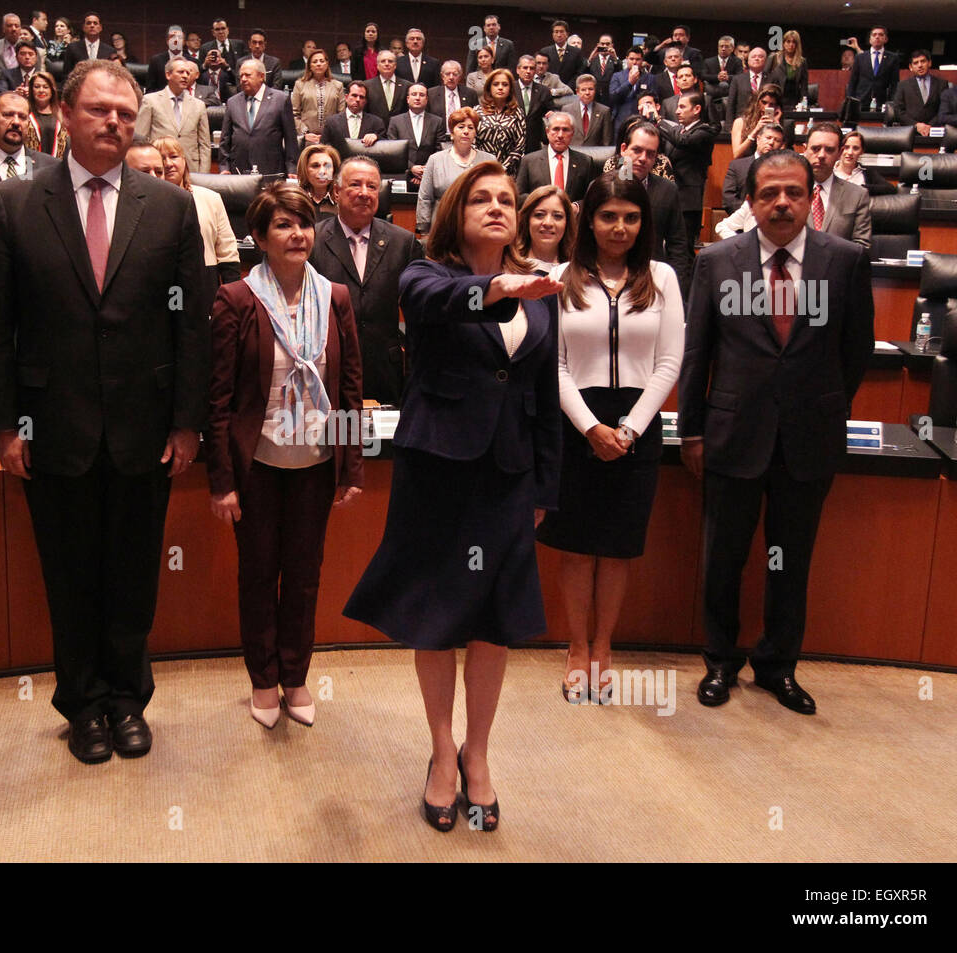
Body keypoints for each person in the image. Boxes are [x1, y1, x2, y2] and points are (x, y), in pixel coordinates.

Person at [0, 59, 209, 765]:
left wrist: (186, 420)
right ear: (65, 117)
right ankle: (81, 704)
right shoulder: (16, 204)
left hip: (145, 426)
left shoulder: (169, 205)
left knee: (135, 571)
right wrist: (6, 423)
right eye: (98, 110)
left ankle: (127, 698)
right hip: (54, 425)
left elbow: (190, 325)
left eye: (123, 112)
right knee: (70, 573)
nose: (113, 122)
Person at [343, 161, 563, 833]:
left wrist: (545, 483)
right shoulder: (424, 272)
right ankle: (442, 751)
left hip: (508, 472)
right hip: (437, 468)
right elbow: (438, 304)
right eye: (482, 199)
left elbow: (543, 392)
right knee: (436, 614)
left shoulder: (541, 291)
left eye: (507, 199)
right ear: (455, 212)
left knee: (496, 617)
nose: (498, 207)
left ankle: (480, 753)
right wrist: (500, 285)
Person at [680, 148, 874, 715]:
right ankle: (719, 661)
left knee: (790, 558)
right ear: (751, 202)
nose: (782, 203)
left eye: (793, 191)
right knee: (724, 556)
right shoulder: (717, 260)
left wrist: (823, 408)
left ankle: (777, 665)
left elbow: (855, 351)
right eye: (769, 194)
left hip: (807, 439)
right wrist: (692, 431)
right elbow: (698, 355)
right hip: (732, 435)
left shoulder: (844, 260)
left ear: (810, 194)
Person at [207, 183, 364, 729]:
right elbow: (220, 398)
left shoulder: (336, 296)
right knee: (257, 574)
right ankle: (262, 679)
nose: (297, 233)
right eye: (282, 225)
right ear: (258, 237)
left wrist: (351, 465)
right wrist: (221, 482)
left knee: (303, 576)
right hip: (258, 467)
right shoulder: (236, 299)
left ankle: (296, 677)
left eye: (304, 223)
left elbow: (348, 385)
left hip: (316, 465)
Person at [539, 171, 683, 703]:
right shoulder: (560, 276)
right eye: (607, 216)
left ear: (643, 223)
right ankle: (576, 647)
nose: (619, 227)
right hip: (578, 422)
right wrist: (592, 428)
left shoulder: (663, 278)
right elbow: (552, 365)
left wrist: (627, 429)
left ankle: (604, 647)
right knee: (576, 546)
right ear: (588, 220)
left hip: (638, 425)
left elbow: (669, 362)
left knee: (618, 546)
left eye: (630, 217)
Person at [310, 156, 423, 405]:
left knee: (382, 445)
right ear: (337, 192)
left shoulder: (403, 243)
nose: (364, 193)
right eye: (355, 185)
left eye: (372, 186)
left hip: (385, 371)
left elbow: (418, 315)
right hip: (327, 370)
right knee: (336, 440)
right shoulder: (312, 240)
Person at [611, 121, 693, 298]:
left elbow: (678, 245)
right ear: (624, 149)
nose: (643, 158)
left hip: (651, 282)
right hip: (608, 280)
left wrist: (675, 290)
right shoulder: (602, 188)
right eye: (637, 150)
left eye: (650, 153)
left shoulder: (668, 190)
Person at [154, 134, 240, 288]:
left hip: (203, 280)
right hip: (163, 283)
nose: (168, 164)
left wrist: (232, 294)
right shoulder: (148, 202)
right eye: (161, 158)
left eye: (174, 156)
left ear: (184, 161)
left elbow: (227, 251)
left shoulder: (211, 199)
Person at [0, 90, 57, 204]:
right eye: (8, 115)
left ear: (28, 124)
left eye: (22, 117)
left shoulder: (50, 167)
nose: (16, 122)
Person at [416, 106, 493, 235]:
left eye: (470, 127)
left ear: (475, 133)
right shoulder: (435, 160)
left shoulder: (489, 161)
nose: (466, 131)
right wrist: (424, 232)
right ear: (452, 133)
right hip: (443, 227)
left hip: (478, 229)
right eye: (461, 127)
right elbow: (424, 197)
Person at [219, 59, 298, 176]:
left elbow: (290, 139)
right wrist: (224, 167)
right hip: (239, 171)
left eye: (248, 75)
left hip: (271, 170)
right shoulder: (232, 102)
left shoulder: (280, 100)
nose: (243, 79)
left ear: (261, 76)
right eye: (241, 76)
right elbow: (225, 139)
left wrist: (292, 169)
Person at [657, 90, 717, 243]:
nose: (677, 111)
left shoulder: (704, 132)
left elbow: (683, 141)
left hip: (688, 202)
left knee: (684, 247)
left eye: (682, 107)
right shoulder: (678, 130)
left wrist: (658, 120)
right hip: (670, 195)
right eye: (677, 107)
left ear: (697, 109)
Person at [135, 56, 209, 174]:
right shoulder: (150, 101)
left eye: (188, 73)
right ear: (168, 75)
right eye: (181, 72)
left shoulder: (199, 105)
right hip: (159, 166)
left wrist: (204, 174)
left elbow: (205, 145)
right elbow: (141, 139)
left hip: (191, 168)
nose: (185, 76)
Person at [802, 122, 871, 249]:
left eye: (829, 150)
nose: (821, 155)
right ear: (804, 150)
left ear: (840, 153)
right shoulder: (787, 192)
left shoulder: (857, 195)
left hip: (839, 267)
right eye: (815, 148)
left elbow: (861, 247)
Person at [516, 110, 596, 202]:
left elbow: (591, 199)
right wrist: (541, 203)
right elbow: (519, 196)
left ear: (572, 133)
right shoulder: (529, 161)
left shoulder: (585, 162)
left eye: (565, 130)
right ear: (547, 132)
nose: (560, 135)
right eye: (556, 129)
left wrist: (577, 206)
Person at [722, 120, 786, 214]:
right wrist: (751, 214)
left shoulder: (783, 170)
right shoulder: (737, 166)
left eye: (777, 140)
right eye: (768, 138)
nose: (771, 142)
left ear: (781, 146)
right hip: (742, 221)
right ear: (758, 139)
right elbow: (728, 199)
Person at [388, 84, 441, 191]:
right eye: (414, 94)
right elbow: (393, 151)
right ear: (408, 99)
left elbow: (439, 149)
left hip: (430, 177)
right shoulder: (395, 121)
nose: (417, 98)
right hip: (403, 177)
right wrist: (411, 168)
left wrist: (425, 170)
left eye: (421, 95)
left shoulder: (437, 122)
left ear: (426, 99)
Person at [474, 68, 525, 176]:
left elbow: (520, 146)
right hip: (480, 170)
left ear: (510, 88)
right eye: (496, 84)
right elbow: (473, 142)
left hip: (507, 172)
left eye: (505, 84)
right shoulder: (477, 111)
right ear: (489, 87)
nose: (500, 88)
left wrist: (503, 167)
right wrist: (483, 167)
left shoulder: (517, 113)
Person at [291, 49, 345, 144]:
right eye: (315, 62)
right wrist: (305, 133)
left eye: (322, 61)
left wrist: (329, 133)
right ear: (310, 66)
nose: (318, 64)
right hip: (307, 138)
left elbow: (341, 115)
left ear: (327, 64)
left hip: (331, 138)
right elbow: (294, 113)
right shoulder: (300, 85)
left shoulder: (338, 85)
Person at [516, 183, 574, 271]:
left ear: (567, 223)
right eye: (539, 215)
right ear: (527, 220)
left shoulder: (578, 271)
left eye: (557, 216)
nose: (548, 223)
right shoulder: (509, 266)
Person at [320, 80, 383, 154]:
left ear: (365, 101)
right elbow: (323, 149)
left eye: (362, 97)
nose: (358, 99)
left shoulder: (376, 122)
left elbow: (387, 145)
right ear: (346, 97)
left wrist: (376, 137)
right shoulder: (332, 122)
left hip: (365, 163)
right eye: (354, 95)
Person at [891, 50, 943, 134]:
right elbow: (898, 110)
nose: (920, 65)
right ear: (910, 67)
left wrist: (930, 126)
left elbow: (944, 109)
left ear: (929, 63)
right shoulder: (903, 85)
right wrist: (916, 125)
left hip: (934, 130)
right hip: (910, 131)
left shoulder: (941, 84)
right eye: (915, 63)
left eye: (923, 61)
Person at [846, 26, 899, 108]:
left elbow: (894, 84)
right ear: (870, 40)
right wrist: (850, 102)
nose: (877, 37)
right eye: (874, 35)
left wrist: (892, 103)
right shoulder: (860, 57)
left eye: (881, 35)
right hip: (860, 101)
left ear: (886, 39)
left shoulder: (893, 58)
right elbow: (853, 82)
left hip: (882, 102)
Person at [512, 54, 554, 155]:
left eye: (531, 68)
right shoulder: (510, 89)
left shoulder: (543, 91)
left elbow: (551, 111)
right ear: (518, 70)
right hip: (512, 140)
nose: (528, 71)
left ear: (535, 71)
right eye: (525, 68)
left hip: (534, 142)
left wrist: (552, 113)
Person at [731, 83, 785, 159]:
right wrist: (756, 130)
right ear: (757, 102)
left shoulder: (783, 125)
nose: (767, 107)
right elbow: (736, 154)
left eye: (772, 104)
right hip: (746, 166)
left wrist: (777, 126)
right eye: (764, 102)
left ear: (777, 107)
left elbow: (783, 157)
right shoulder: (740, 122)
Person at [833, 130, 895, 196]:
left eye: (855, 148)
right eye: (846, 147)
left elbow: (890, 189)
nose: (850, 152)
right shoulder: (829, 170)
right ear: (840, 149)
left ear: (862, 151)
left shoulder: (867, 173)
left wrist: (860, 188)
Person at [727, 48, 777, 127]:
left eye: (760, 57)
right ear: (748, 60)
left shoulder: (772, 79)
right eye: (753, 57)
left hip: (765, 122)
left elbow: (776, 103)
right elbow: (731, 104)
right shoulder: (737, 79)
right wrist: (729, 126)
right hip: (742, 123)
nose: (757, 59)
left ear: (765, 61)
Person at [427, 59, 478, 136]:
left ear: (460, 77)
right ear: (442, 76)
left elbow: (474, 119)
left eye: (455, 74)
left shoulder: (470, 94)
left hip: (463, 137)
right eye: (447, 74)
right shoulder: (431, 94)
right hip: (439, 138)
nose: (451, 77)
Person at [609, 45, 656, 128]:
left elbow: (653, 99)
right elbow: (613, 97)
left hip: (642, 121)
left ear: (642, 60)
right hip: (621, 119)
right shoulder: (617, 76)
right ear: (626, 59)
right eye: (631, 59)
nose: (634, 62)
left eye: (638, 59)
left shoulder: (650, 78)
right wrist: (629, 83)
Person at [22, 70, 66, 157]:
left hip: (56, 165)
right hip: (31, 164)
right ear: (31, 89)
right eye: (37, 87)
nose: (41, 90)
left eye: (45, 87)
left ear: (52, 90)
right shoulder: (24, 114)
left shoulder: (62, 115)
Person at [363, 50, 410, 125]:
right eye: (383, 61)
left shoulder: (407, 86)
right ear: (377, 66)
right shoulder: (367, 86)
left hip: (400, 131)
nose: (387, 64)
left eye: (390, 61)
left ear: (395, 65)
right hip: (375, 131)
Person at [565, 74, 613, 146]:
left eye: (590, 89)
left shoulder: (604, 111)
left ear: (595, 90)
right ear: (577, 92)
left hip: (596, 155)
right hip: (573, 153)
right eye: (583, 90)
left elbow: (606, 141)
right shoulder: (567, 110)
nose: (587, 93)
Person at [766, 30, 808, 110]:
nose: (791, 45)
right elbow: (765, 79)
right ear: (783, 43)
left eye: (794, 42)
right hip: (776, 98)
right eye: (788, 42)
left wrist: (803, 104)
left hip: (794, 100)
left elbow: (804, 87)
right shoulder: (774, 58)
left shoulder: (802, 62)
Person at [295, 142, 340, 215]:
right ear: (304, 170)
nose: (322, 172)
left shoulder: (343, 201)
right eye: (315, 166)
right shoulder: (295, 200)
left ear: (334, 170)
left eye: (327, 166)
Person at [539, 18, 584, 86]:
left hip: (569, 90)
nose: (559, 35)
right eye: (556, 32)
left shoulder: (576, 52)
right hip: (549, 89)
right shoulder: (545, 51)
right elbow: (541, 71)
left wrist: (567, 87)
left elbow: (579, 72)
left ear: (567, 34)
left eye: (561, 32)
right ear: (552, 34)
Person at [145, 25, 186, 93]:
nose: (176, 40)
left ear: (184, 42)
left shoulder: (193, 61)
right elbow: (150, 89)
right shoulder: (156, 60)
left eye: (179, 37)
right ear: (167, 41)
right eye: (172, 37)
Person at [702, 35, 741, 103]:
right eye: (721, 46)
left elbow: (740, 76)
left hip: (730, 93)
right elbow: (703, 76)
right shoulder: (708, 61)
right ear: (718, 47)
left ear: (732, 48)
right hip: (713, 92)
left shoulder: (737, 61)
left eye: (726, 46)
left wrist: (728, 77)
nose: (723, 49)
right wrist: (717, 77)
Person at [586, 34, 619, 107]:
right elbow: (584, 73)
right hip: (594, 96)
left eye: (607, 44)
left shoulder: (615, 61)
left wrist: (615, 58)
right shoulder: (592, 59)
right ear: (598, 45)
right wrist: (590, 58)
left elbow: (619, 72)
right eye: (602, 44)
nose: (604, 46)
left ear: (612, 45)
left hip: (609, 97)